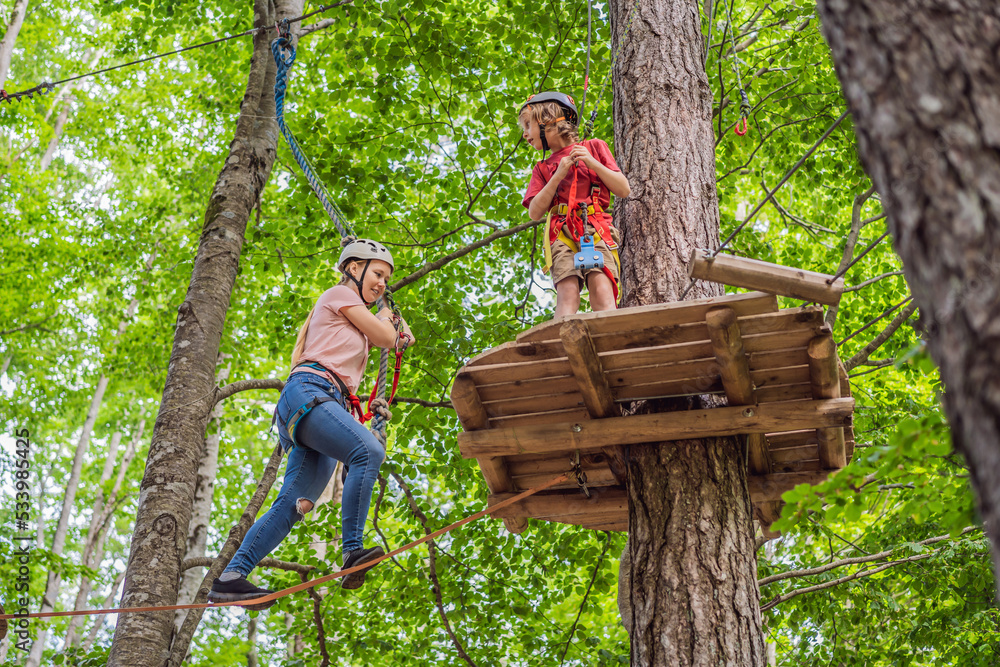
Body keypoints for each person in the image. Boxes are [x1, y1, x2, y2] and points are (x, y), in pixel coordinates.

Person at [208, 238, 415, 610]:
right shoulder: (338, 295)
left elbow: (393, 338)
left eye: (386, 278)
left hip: (321, 401)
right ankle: (351, 550)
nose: (382, 283)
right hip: (310, 391)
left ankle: (231, 578)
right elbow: (386, 335)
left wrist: (394, 326)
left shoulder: (354, 313)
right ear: (354, 268)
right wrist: (389, 320)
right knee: (367, 451)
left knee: (294, 502)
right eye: (378, 274)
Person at [519, 91, 631, 318]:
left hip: (595, 228)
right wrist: (557, 175)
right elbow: (535, 212)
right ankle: (563, 340)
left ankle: (610, 335)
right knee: (567, 293)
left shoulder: (594, 147)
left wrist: (590, 162)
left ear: (546, 120)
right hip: (562, 233)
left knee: (601, 289)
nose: (525, 135)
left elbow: (623, 189)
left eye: (528, 125)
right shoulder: (542, 169)